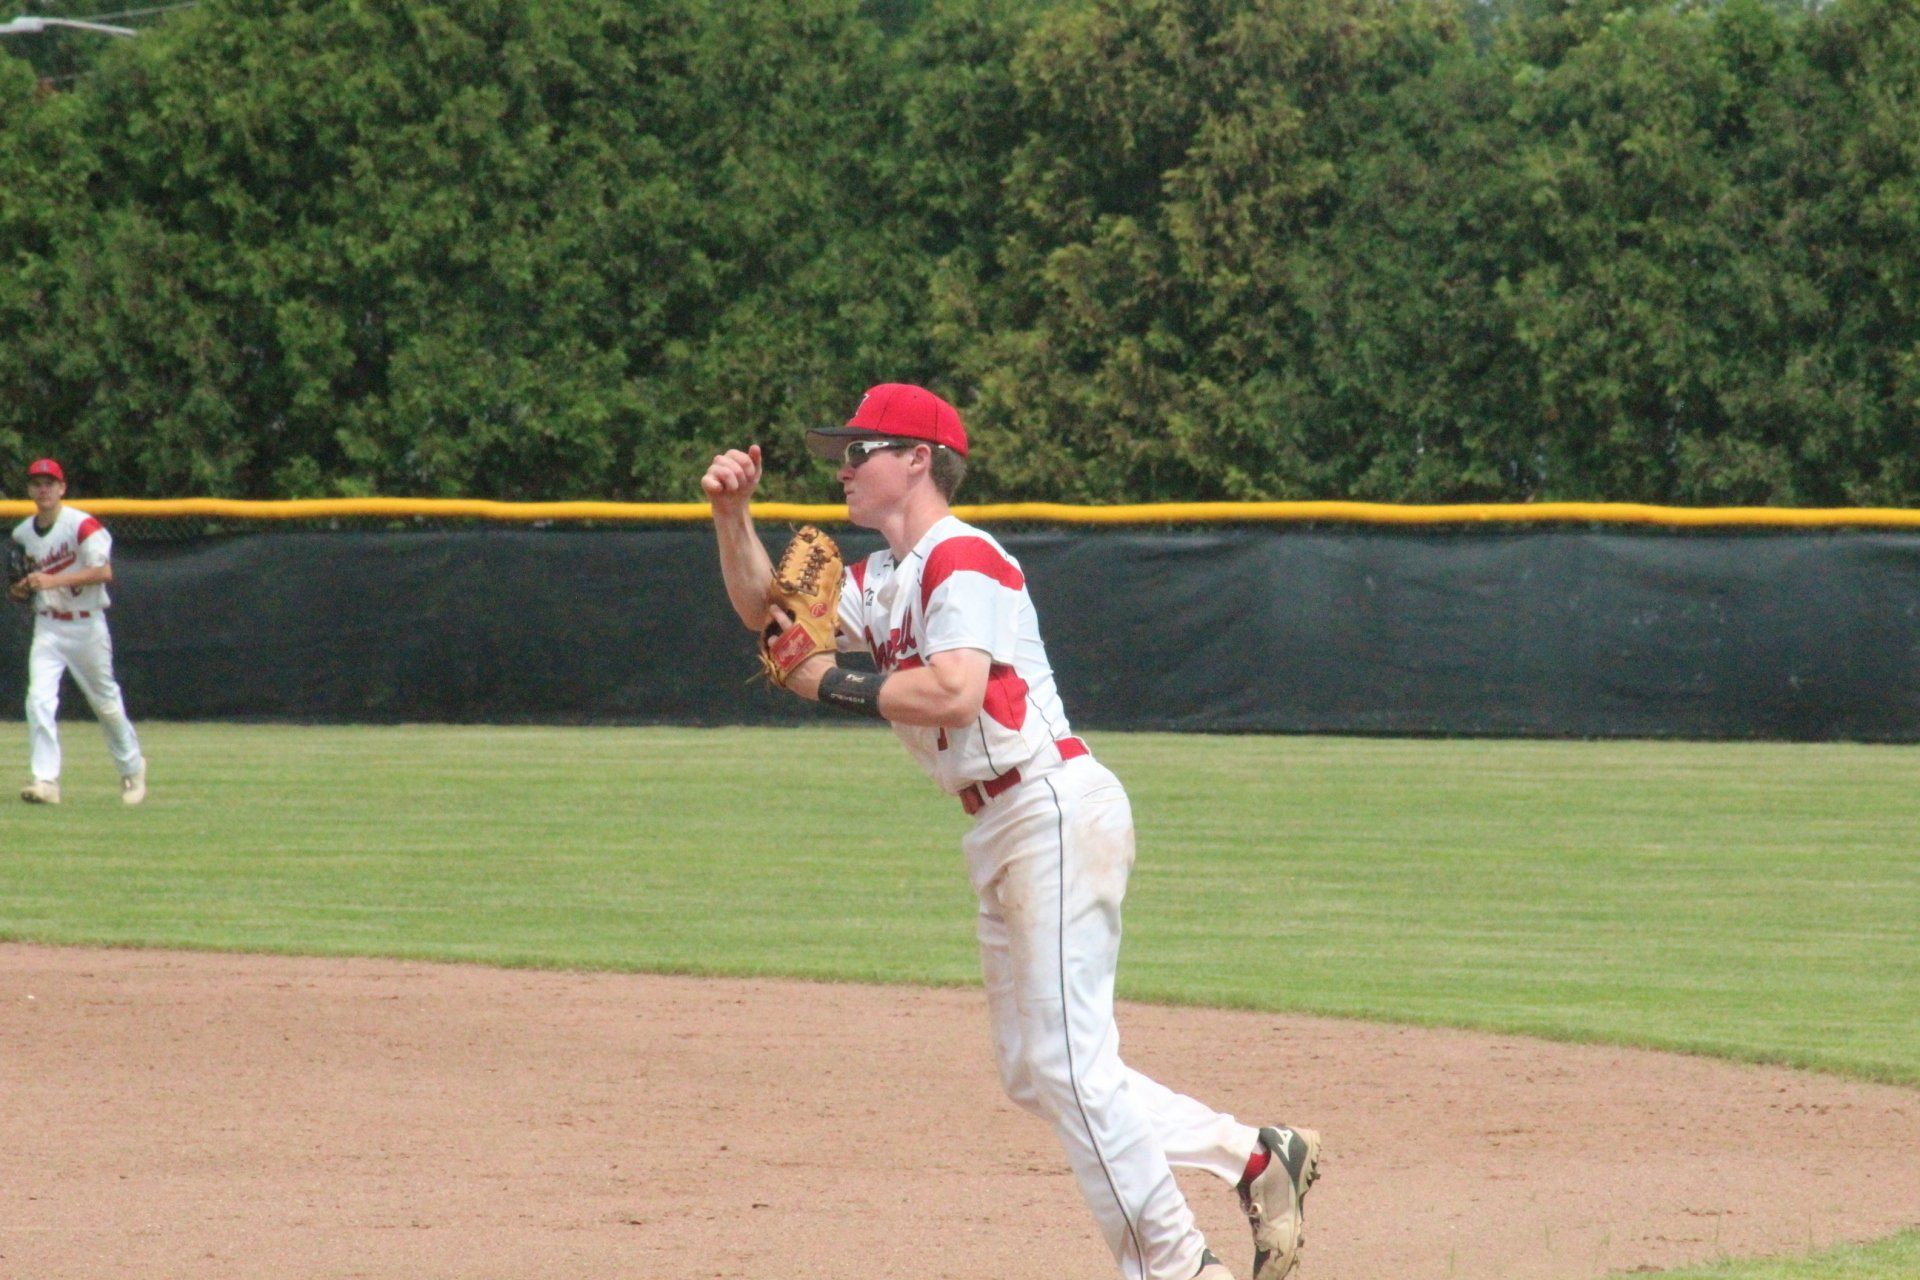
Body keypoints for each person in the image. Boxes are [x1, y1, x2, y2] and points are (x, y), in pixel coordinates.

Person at [702, 384, 1320, 1280]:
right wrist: (734, 514)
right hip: (1004, 825)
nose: (841, 466)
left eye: (858, 449)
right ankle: (1255, 1158)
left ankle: (1180, 1268)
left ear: (917, 458)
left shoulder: (962, 556)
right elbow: (774, 613)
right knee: (1040, 1074)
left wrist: (828, 685)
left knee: (1071, 1066)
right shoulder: (889, 578)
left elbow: (953, 689)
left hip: (1048, 805)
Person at [9, 457, 147, 805]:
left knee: (106, 704)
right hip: (49, 626)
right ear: (29, 490)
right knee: (38, 699)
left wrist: (52, 579)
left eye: (49, 483)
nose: (43, 489)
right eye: (37, 483)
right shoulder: (22, 534)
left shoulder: (82, 526)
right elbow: (17, 586)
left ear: (61, 488)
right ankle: (46, 781)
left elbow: (103, 573)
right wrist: (22, 588)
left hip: (86, 625)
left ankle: (132, 768)